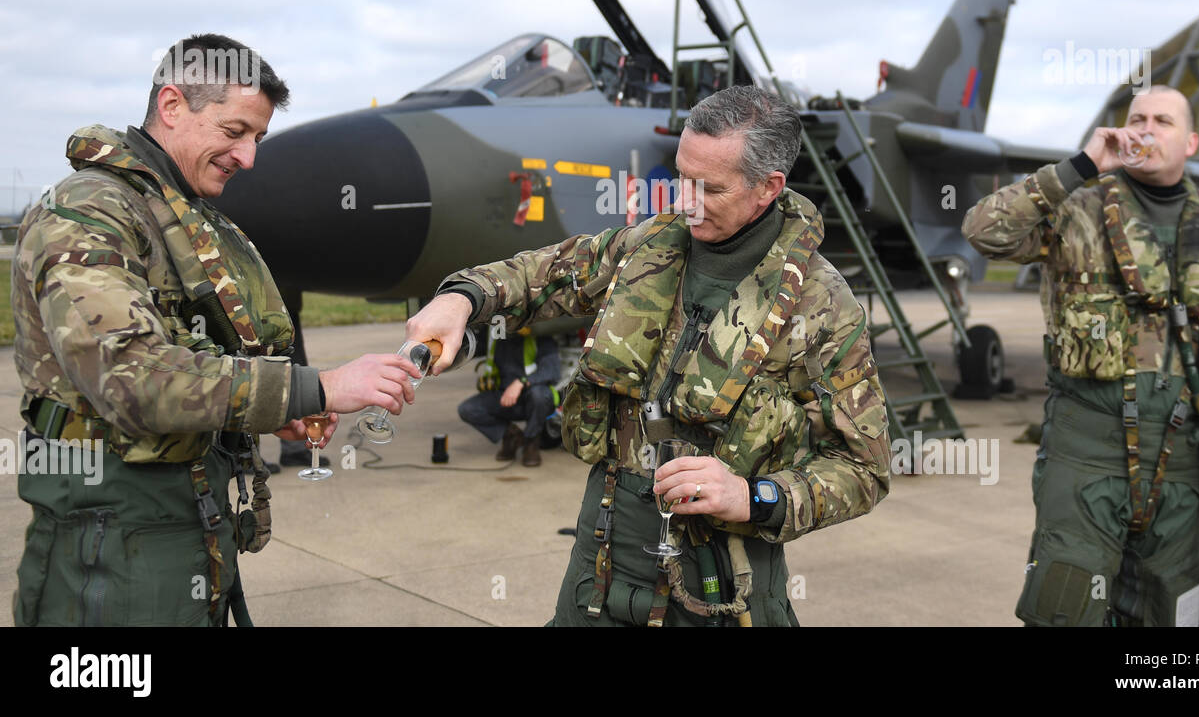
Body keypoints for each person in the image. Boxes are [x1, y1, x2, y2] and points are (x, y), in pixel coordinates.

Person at [408, 84, 891, 627]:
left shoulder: (822, 306)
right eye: (681, 177)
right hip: (601, 569)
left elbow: (862, 470)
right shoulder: (646, 249)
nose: (685, 202)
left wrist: (754, 495)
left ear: (768, 188)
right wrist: (459, 299)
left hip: (718, 588)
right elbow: (541, 274)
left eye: (708, 188)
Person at [10, 34, 420, 626]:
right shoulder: (88, 213)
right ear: (173, 105)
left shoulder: (185, 218)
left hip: (184, 535)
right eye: (234, 133)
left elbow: (190, 360)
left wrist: (265, 411)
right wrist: (320, 388)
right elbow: (133, 379)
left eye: (257, 138)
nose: (249, 158)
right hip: (108, 554)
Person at [962, 84, 1199, 627]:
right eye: (1136, 118)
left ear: (1190, 142)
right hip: (1086, 456)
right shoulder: (1076, 213)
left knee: (1169, 617)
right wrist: (1083, 164)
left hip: (1182, 464)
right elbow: (983, 231)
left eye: (1162, 121)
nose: (1144, 129)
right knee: (1065, 609)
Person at [459, 331, 563, 466]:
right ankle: (511, 436)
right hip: (504, 397)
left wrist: (521, 383)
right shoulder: (495, 336)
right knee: (468, 409)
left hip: (532, 400)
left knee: (539, 395)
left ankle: (531, 441)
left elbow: (552, 371)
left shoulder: (540, 337)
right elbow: (469, 347)